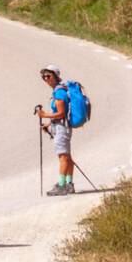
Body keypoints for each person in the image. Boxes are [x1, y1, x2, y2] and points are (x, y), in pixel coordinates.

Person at [35, 66, 75, 195]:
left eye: (48, 76)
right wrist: (49, 124)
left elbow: (61, 113)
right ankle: (69, 184)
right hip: (62, 127)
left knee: (63, 157)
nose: (46, 79)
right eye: (44, 77)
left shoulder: (59, 92)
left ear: (56, 76)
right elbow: (60, 115)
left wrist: (44, 115)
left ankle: (62, 185)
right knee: (67, 157)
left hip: (62, 128)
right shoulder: (59, 91)